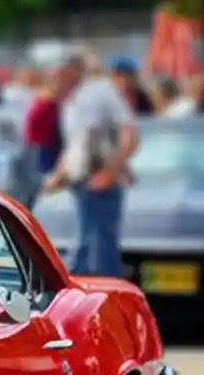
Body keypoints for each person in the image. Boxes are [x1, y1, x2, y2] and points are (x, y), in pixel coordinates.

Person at [43, 52, 139, 277]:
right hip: (83, 183)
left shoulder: (97, 92)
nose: (55, 79)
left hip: (99, 183)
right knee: (85, 248)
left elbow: (128, 134)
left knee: (98, 253)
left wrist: (110, 172)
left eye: (59, 73)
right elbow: (75, 145)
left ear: (71, 72)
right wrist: (59, 175)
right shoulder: (71, 101)